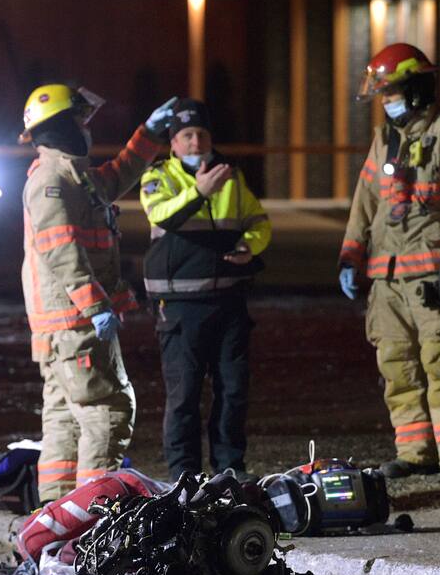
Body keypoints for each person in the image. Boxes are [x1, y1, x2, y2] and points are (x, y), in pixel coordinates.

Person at [338, 44, 440, 482]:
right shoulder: (385, 140)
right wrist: (350, 253)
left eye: (393, 92)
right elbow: (365, 202)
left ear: (418, 89)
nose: (386, 102)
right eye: (383, 95)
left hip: (433, 277)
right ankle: (414, 451)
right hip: (387, 283)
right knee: (396, 366)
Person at [19, 83, 177, 501]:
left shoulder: (73, 176)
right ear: (58, 127)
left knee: (65, 421)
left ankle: (54, 522)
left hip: (64, 327)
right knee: (108, 412)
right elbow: (61, 249)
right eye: (78, 121)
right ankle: (94, 516)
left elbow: (118, 175)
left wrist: (148, 135)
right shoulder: (52, 181)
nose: (85, 129)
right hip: (76, 323)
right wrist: (95, 306)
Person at [138, 99, 272, 481]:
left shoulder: (230, 175)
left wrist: (250, 246)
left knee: (233, 390)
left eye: (202, 133)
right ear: (173, 144)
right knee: (184, 395)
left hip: (229, 299)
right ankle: (185, 475)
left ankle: (230, 468)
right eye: (186, 135)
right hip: (181, 304)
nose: (196, 141)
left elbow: (258, 220)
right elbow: (161, 214)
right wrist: (199, 190)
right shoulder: (158, 176)